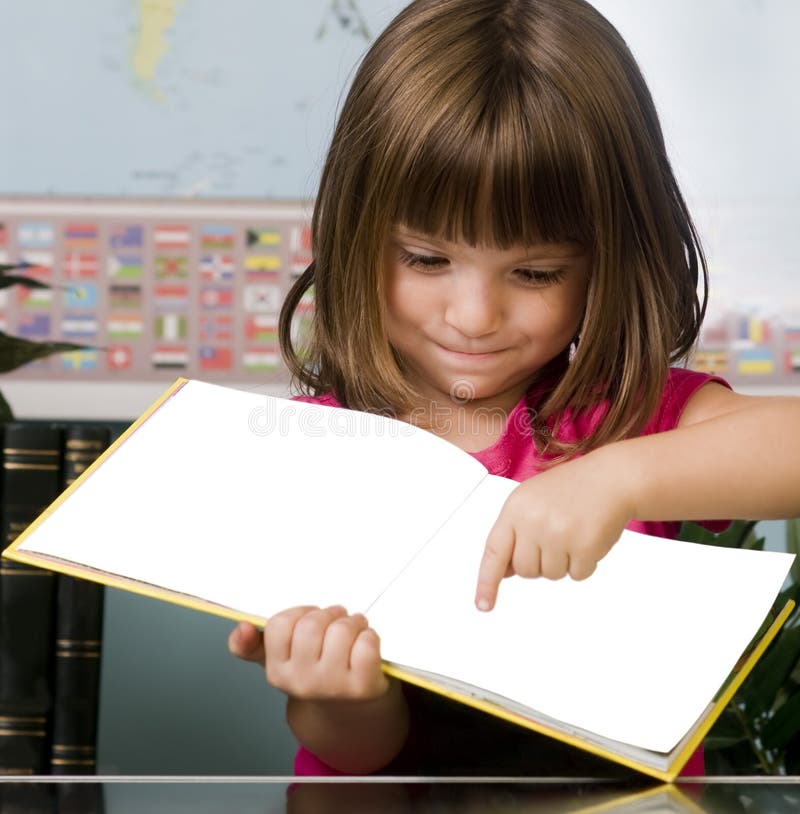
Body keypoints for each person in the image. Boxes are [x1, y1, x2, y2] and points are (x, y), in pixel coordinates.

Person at [229, 0, 800, 777]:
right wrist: (339, 697)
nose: (474, 316)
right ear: (356, 233)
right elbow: (355, 753)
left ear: (606, 262)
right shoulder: (321, 453)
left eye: (534, 273)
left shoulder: (628, 416)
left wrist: (621, 474)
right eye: (426, 261)